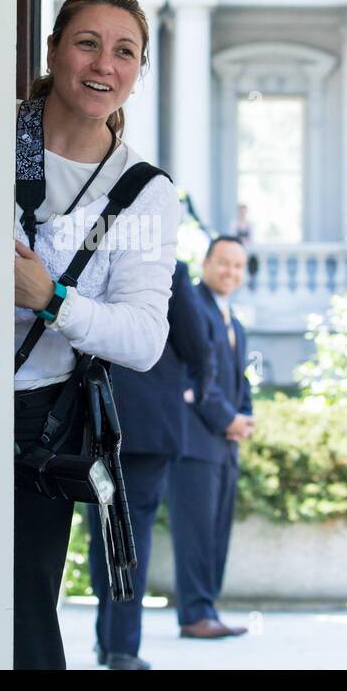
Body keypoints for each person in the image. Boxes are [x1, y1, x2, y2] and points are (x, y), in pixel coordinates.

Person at [12, 0, 180, 670]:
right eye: (87, 42)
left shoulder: (142, 190)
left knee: (21, 617)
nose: (103, 64)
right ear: (54, 49)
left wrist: (52, 300)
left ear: (138, 73)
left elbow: (143, 339)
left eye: (124, 52)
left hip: (36, 429)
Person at [86, 259, 215, 669]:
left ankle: (110, 642)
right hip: (147, 425)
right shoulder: (167, 268)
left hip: (92, 420)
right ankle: (121, 647)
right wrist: (191, 393)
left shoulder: (88, 260)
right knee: (131, 533)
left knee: (102, 532)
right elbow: (198, 348)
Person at [168, 235, 254, 639]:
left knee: (217, 529)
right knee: (196, 531)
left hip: (224, 444)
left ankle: (208, 608)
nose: (230, 272)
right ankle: (195, 614)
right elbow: (194, 372)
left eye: (238, 266)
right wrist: (226, 419)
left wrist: (245, 418)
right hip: (196, 440)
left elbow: (240, 381)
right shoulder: (193, 306)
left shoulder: (234, 320)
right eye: (223, 263)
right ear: (206, 264)